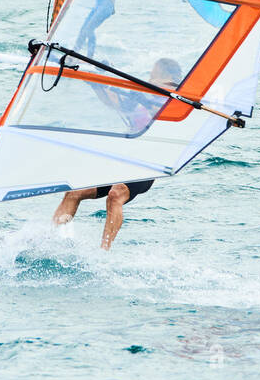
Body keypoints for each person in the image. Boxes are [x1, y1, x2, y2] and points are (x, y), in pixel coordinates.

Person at [51, 57, 182, 249]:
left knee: (115, 194)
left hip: (147, 166)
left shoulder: (174, 99)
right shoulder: (145, 95)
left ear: (167, 76)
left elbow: (159, 109)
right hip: (124, 161)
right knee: (74, 191)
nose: (150, 78)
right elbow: (114, 102)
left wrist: (142, 96)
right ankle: (51, 238)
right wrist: (96, 82)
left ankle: (104, 251)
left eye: (154, 75)